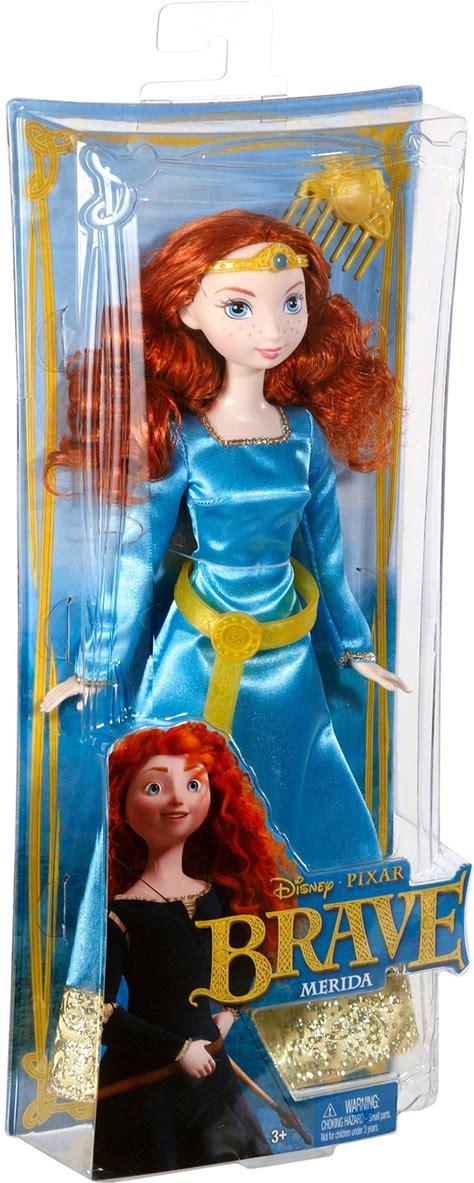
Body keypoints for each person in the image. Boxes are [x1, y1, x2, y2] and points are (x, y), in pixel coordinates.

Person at [42, 208, 408, 872]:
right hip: (198, 647)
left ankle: (333, 911)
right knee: (170, 782)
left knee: (304, 771)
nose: (272, 328)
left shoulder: (302, 435)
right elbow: (136, 556)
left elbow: (328, 556)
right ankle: (154, 918)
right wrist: (96, 665)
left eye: (291, 303)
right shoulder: (189, 439)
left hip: (286, 648)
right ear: (187, 311)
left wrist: (356, 649)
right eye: (239, 307)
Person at [93, 720, 292, 1177]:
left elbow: (243, 965)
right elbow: (100, 1012)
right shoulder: (122, 913)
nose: (178, 800)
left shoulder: (213, 896)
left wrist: (230, 1012)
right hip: (145, 1082)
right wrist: (178, 1049)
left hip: (212, 1074)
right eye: (155, 786)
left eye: (193, 784)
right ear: (122, 802)